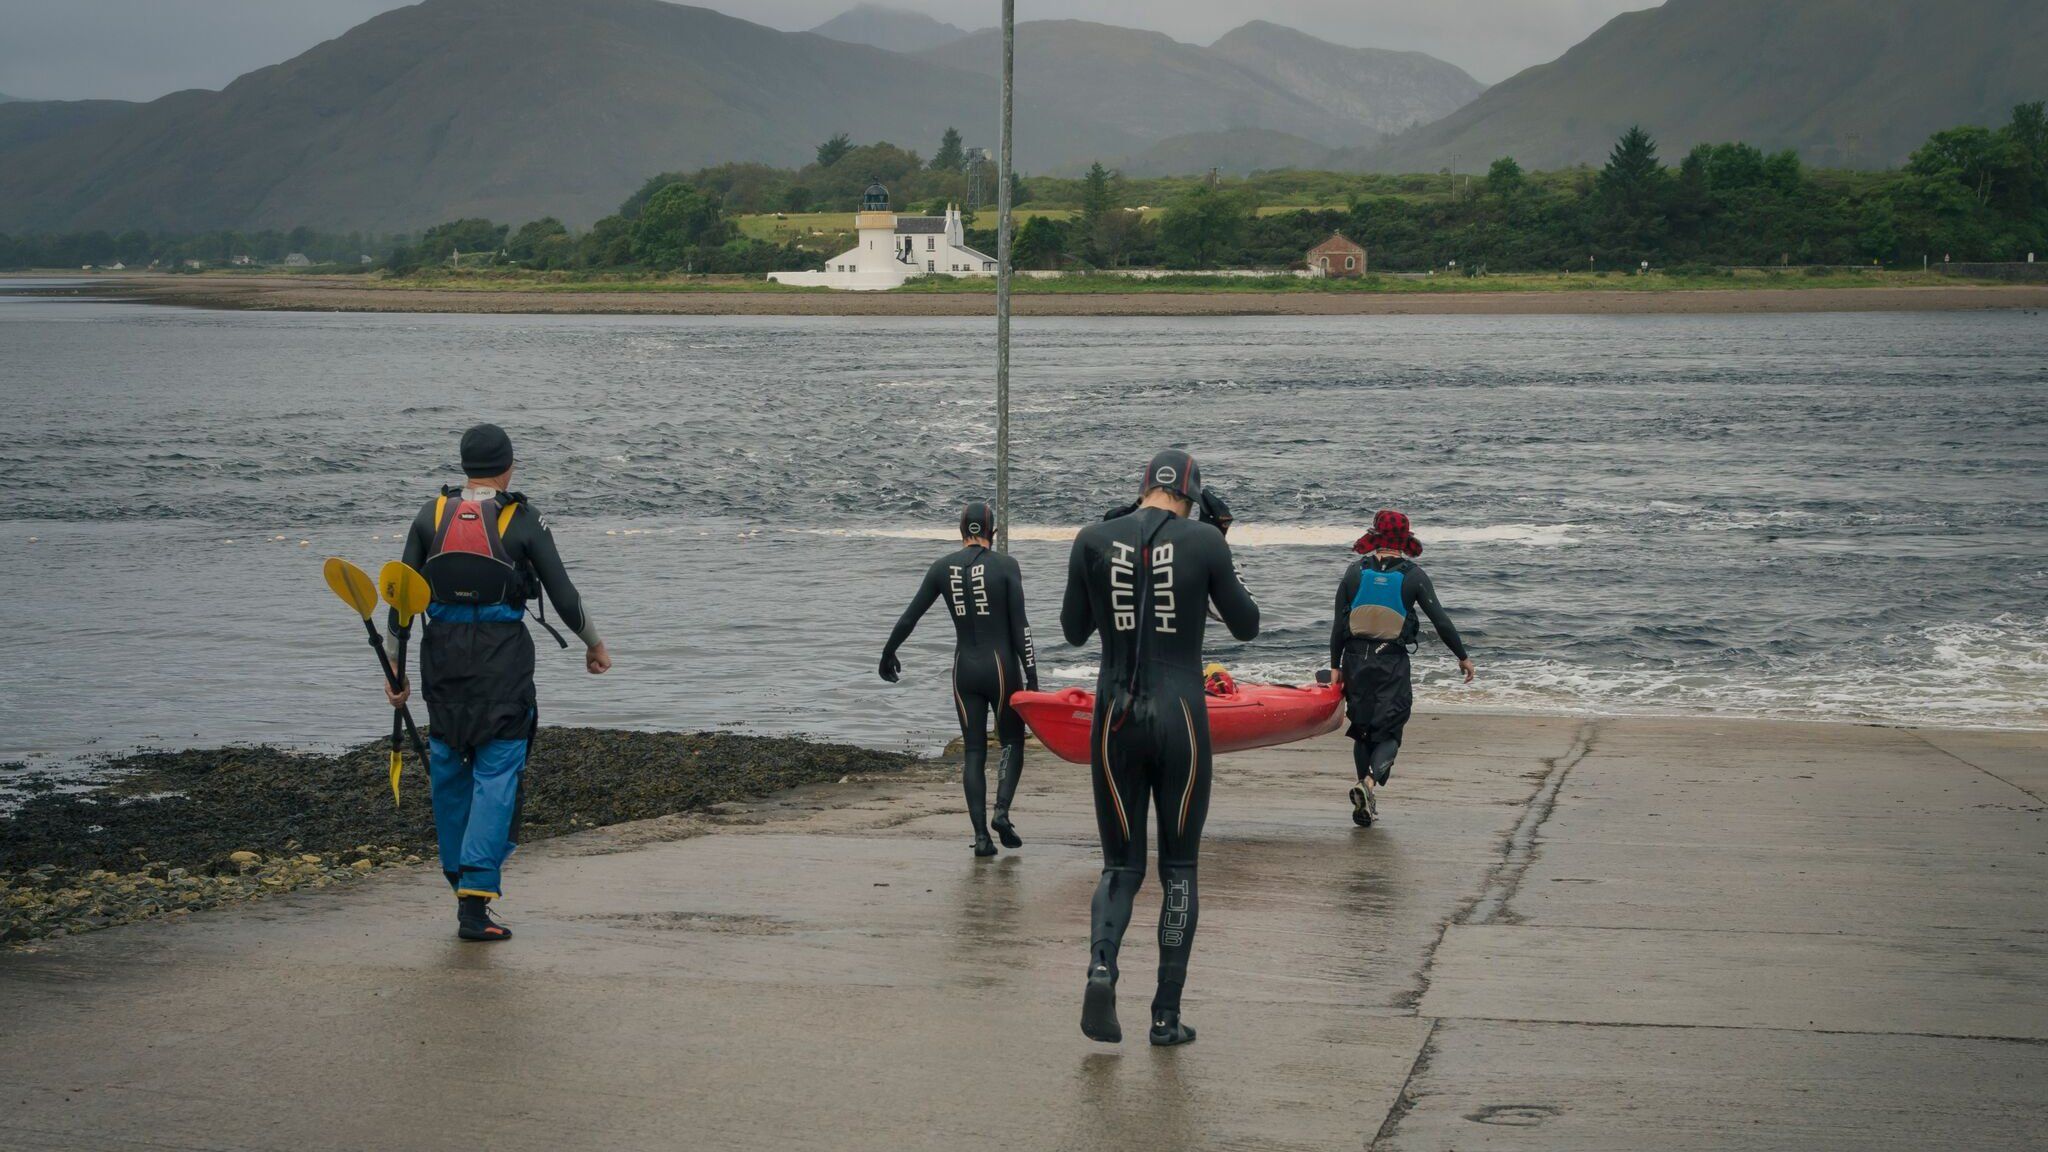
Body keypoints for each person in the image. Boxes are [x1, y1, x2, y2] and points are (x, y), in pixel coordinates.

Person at [1061, 449, 1259, 1047]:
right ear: (1192, 496)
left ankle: (1101, 967)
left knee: (1120, 867)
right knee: (1179, 869)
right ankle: (1165, 1017)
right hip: (1181, 720)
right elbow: (1246, 624)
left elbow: (1073, 630)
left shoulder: (1093, 538)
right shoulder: (1205, 541)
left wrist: (1107, 577)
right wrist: (1220, 546)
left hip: (1114, 718)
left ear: (1142, 486)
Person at [383, 423, 610, 941]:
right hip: (502, 662)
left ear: (465, 465)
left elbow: (399, 604)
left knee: (448, 765)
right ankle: (475, 899)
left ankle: (459, 878)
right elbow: (564, 596)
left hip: (442, 661)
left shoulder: (429, 515)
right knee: (498, 770)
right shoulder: (523, 519)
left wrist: (395, 670)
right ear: (508, 466)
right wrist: (595, 645)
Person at [879, 501, 1039, 856]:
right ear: (992, 532)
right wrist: (1032, 678)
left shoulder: (942, 567)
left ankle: (981, 837)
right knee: (1012, 742)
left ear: (961, 531)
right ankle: (1001, 812)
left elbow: (910, 617)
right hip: (1002, 669)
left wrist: (888, 652)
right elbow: (1021, 628)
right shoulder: (1006, 565)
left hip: (963, 669)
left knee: (974, 752)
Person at [1330, 509, 1473, 827]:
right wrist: (1462, 656)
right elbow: (1440, 621)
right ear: (1405, 540)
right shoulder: (1413, 576)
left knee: (1363, 731)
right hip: (1390, 662)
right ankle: (1368, 784)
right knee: (1391, 731)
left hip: (1354, 660)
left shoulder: (1354, 572)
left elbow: (1339, 625)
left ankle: (1366, 798)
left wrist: (1334, 666)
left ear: (1376, 536)